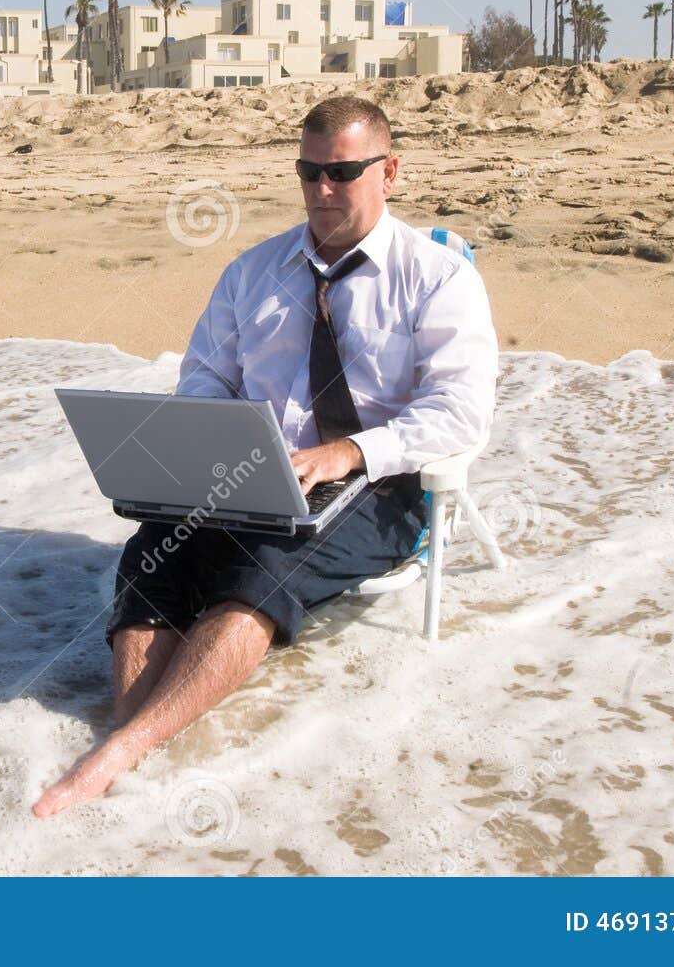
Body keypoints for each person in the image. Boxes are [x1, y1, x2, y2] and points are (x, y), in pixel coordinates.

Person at [32, 94, 499, 818]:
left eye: (342, 171)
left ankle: (121, 750)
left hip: (379, 484)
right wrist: (227, 438)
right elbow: (204, 377)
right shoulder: (252, 273)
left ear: (390, 171)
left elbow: (460, 409)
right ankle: (132, 728)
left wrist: (346, 451)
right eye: (307, 171)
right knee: (151, 554)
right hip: (249, 469)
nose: (321, 190)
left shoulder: (438, 278)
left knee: (262, 569)